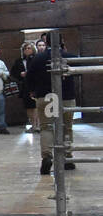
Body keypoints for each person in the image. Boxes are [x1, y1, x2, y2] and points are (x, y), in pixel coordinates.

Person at [28, 43, 78, 175]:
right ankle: (67, 157)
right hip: (66, 96)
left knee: (46, 127)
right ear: (62, 43)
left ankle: (47, 156)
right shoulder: (69, 57)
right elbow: (79, 73)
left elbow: (29, 77)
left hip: (45, 96)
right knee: (67, 126)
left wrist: (33, 90)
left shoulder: (38, 58)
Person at [13, 42, 39, 133]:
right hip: (25, 86)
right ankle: (32, 124)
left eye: (29, 48)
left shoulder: (37, 58)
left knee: (36, 105)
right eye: (25, 49)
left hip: (35, 85)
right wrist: (20, 74)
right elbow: (13, 73)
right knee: (28, 106)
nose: (27, 50)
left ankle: (37, 125)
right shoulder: (19, 61)